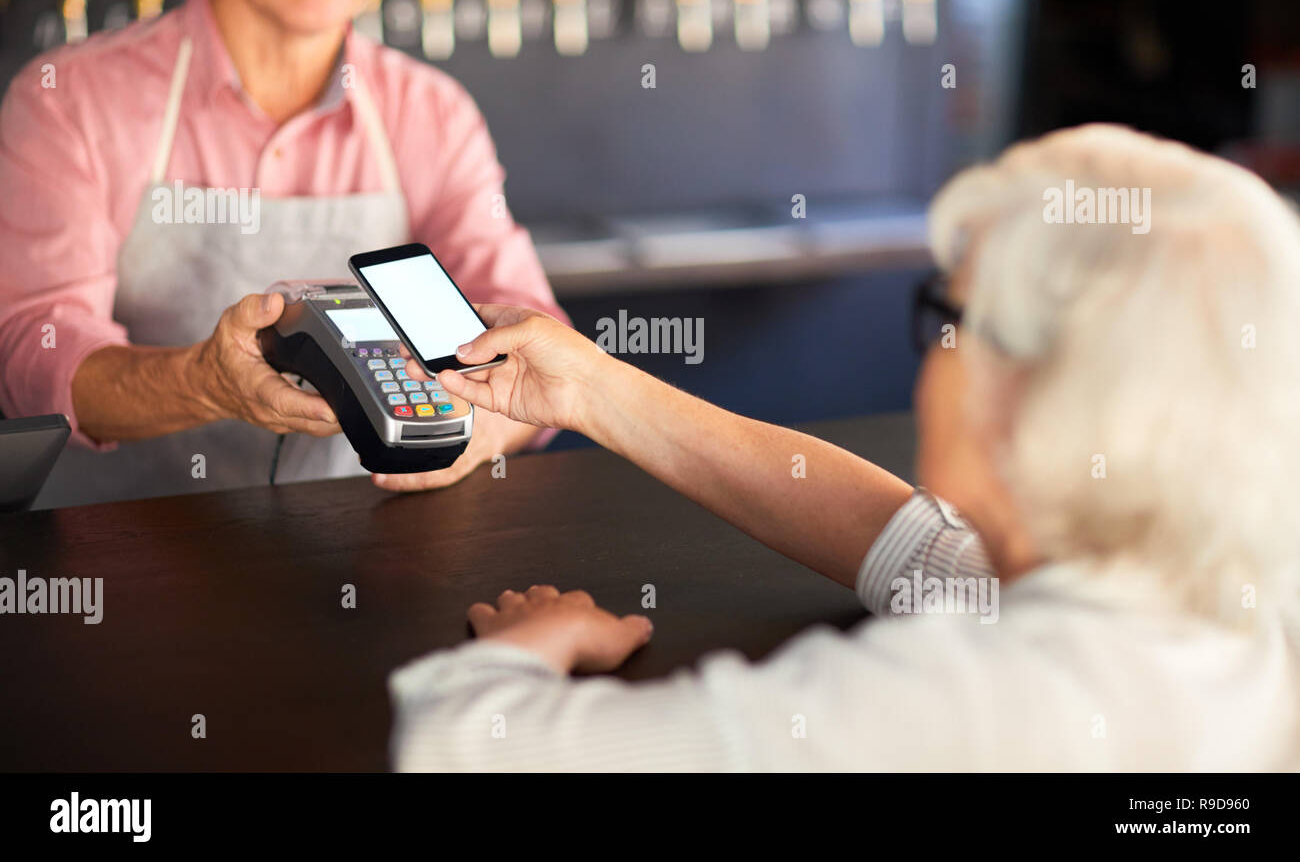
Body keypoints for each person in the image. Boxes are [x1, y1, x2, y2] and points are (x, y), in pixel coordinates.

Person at [387, 125, 1300, 771]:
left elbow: (459, 745)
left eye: (949, 317)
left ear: (1028, 390)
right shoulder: (1235, 614)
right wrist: (587, 387)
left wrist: (523, 648)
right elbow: (922, 551)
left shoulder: (952, 705)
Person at [0, 0, 564, 508]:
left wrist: (457, 435)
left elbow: (539, 348)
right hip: (121, 560)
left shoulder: (434, 114)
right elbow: (30, 355)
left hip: (368, 556)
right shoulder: (69, 101)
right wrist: (203, 384)